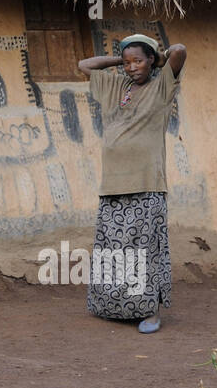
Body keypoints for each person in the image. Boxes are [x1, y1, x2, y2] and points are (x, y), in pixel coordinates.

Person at [77, 34, 187, 333]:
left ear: (151, 60)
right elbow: (84, 65)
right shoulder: (116, 86)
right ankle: (116, 307)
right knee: (115, 250)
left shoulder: (161, 87)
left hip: (146, 183)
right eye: (127, 63)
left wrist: (155, 59)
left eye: (138, 60)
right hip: (112, 185)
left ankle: (149, 311)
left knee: (144, 250)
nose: (132, 67)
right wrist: (121, 59)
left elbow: (179, 50)